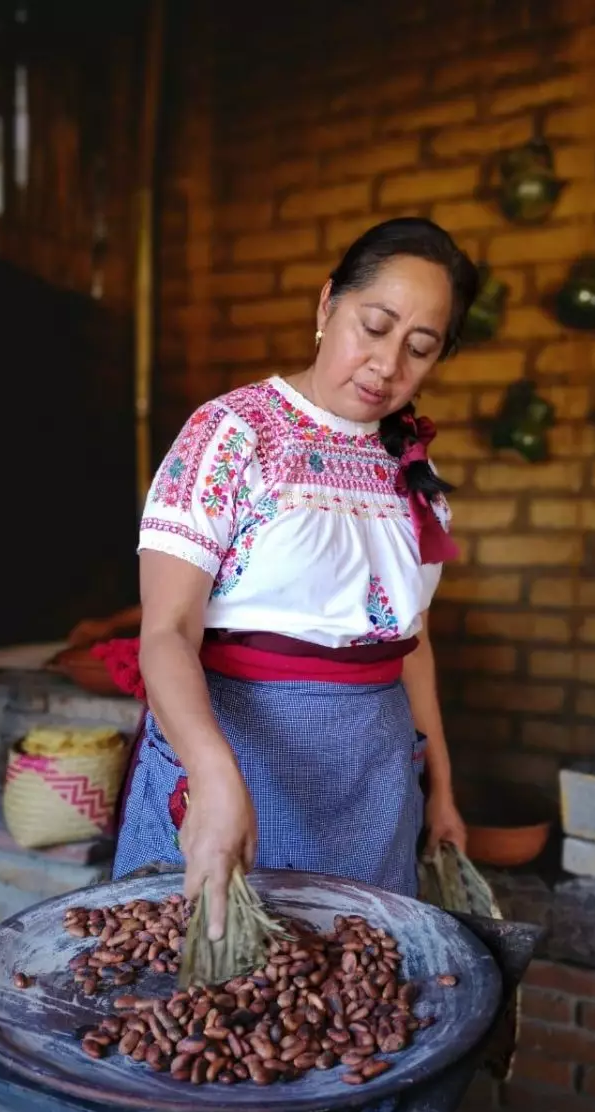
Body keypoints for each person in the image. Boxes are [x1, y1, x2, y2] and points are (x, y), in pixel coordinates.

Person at [108, 218, 478, 939]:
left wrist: (443, 789)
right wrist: (214, 777)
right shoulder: (232, 435)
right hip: (235, 760)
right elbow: (166, 634)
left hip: (372, 785)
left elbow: (412, 645)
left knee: (346, 994)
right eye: (373, 326)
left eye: (420, 347)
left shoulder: (417, 478)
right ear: (325, 307)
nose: (386, 364)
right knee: (204, 1000)